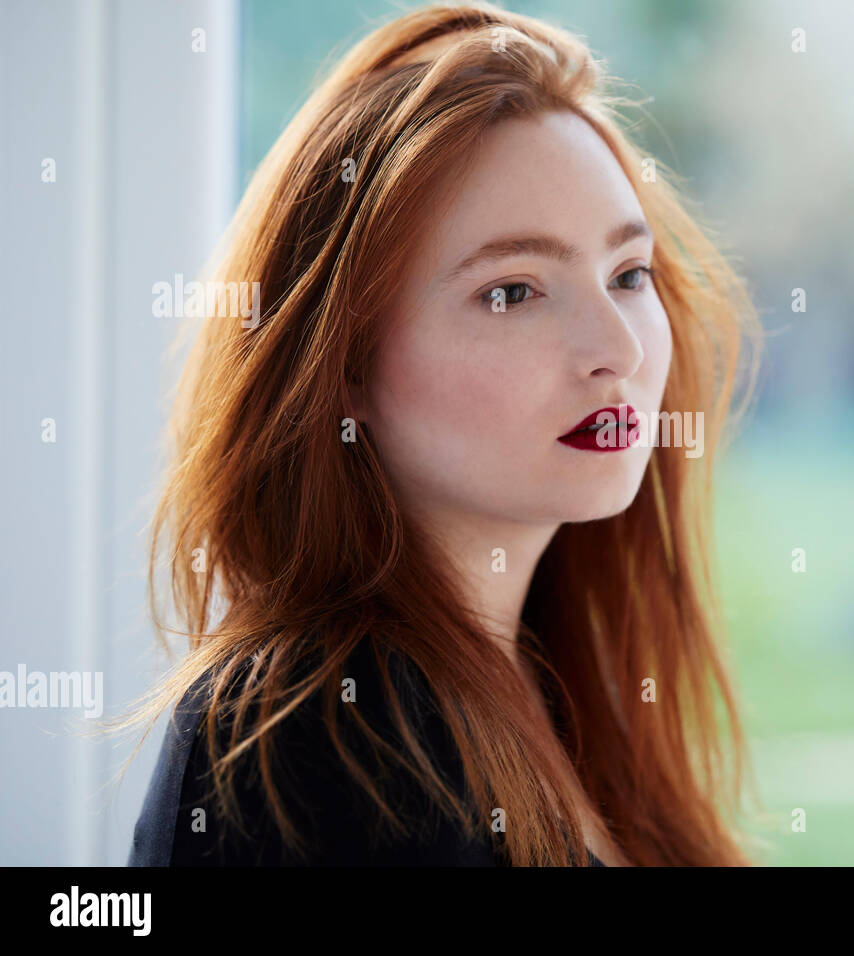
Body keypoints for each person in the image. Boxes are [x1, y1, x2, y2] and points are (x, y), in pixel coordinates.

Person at [121, 0, 762, 867]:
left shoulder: (561, 691)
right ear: (343, 367)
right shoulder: (314, 728)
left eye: (628, 272)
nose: (616, 349)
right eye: (513, 292)